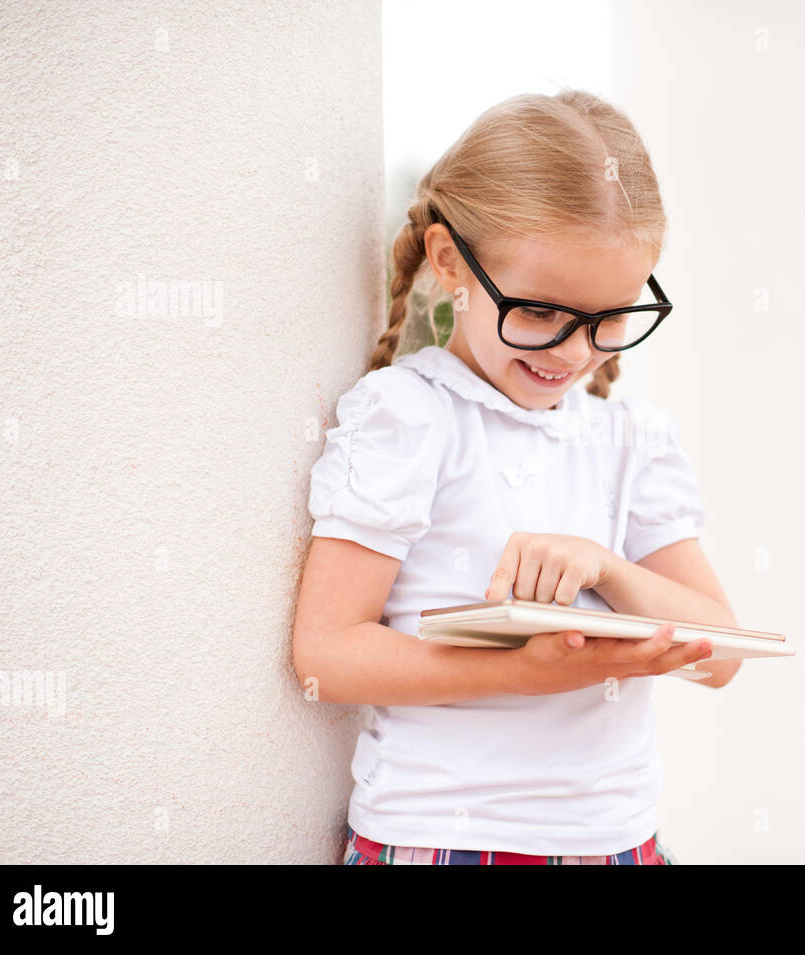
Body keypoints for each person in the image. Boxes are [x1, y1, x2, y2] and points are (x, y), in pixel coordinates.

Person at [292, 89, 742, 866]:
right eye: (539, 313)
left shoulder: (631, 438)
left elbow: (721, 652)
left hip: (618, 843)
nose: (573, 354)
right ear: (449, 264)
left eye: (608, 320)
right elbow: (326, 655)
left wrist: (606, 565)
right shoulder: (410, 417)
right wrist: (517, 671)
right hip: (443, 838)